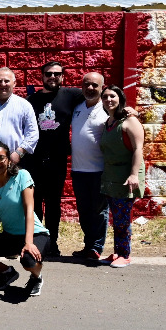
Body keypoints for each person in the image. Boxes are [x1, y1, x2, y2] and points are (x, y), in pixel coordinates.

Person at [0, 141, 50, 297]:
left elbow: (29, 210)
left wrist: (29, 242)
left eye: (1, 158)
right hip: (10, 236)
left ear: (9, 160)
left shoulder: (22, 176)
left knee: (28, 262)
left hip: (35, 234)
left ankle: (36, 277)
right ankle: (7, 272)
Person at [25, 61, 84, 258]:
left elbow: (99, 95)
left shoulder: (71, 95)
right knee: (34, 203)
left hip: (57, 159)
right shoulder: (31, 100)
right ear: (42, 76)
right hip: (34, 159)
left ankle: (52, 243)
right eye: (48, 74)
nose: (52, 77)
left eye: (57, 74)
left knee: (53, 204)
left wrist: (126, 110)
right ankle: (37, 241)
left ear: (62, 76)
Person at [99, 85, 146, 269]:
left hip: (126, 176)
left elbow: (138, 149)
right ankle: (117, 252)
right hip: (112, 176)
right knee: (116, 217)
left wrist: (134, 174)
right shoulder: (109, 122)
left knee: (122, 218)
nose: (108, 100)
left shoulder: (130, 121)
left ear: (120, 98)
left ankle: (125, 254)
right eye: (105, 97)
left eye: (112, 96)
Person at [70, 73, 111, 261]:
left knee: (99, 211)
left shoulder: (107, 108)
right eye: (86, 84)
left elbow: (125, 119)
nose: (90, 88)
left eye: (95, 85)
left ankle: (96, 247)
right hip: (78, 170)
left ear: (102, 87)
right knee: (84, 211)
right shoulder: (77, 107)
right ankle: (88, 246)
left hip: (99, 170)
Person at [0, 67, 39, 170]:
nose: (3, 84)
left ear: (14, 83)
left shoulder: (24, 105)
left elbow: (32, 133)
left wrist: (19, 153)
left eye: (6, 81)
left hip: (14, 161)